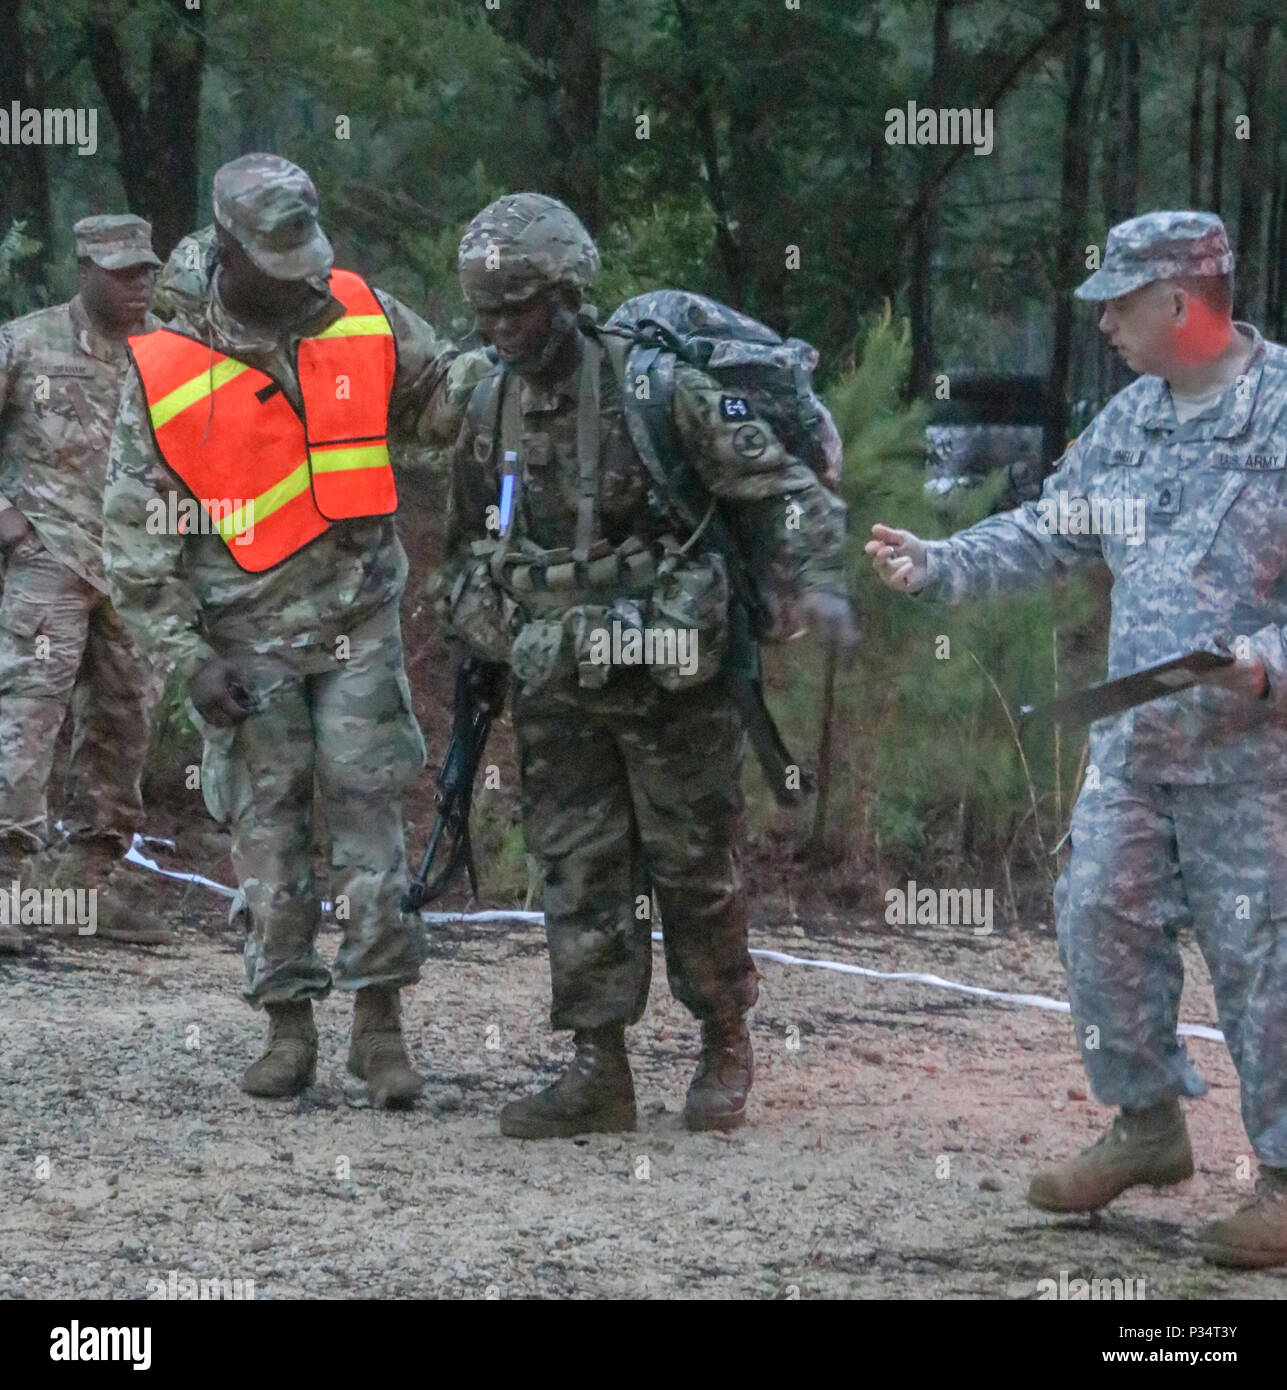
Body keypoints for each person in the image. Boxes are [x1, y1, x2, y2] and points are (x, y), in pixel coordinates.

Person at [867, 211, 1287, 1268]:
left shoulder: (1281, 414)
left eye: (1119, 302)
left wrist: (1266, 663)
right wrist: (940, 562)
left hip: (1256, 759)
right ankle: (1146, 1126)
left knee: (1266, 962)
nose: (1103, 323)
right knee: (1096, 915)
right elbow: (1052, 528)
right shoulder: (1131, 420)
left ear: (1179, 301)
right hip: (1136, 743)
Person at [439, 192, 855, 1139]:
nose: (501, 329)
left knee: (693, 863)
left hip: (669, 675)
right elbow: (465, 552)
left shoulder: (660, 391)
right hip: (557, 682)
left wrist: (814, 582)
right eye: (487, 312)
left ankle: (723, 1040)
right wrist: (507, 633)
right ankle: (599, 1066)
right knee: (574, 865)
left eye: (519, 308)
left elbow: (785, 488)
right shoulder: (489, 405)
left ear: (568, 294)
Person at [102, 154, 485, 1106]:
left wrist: (513, 361)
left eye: (308, 258)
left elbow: (439, 399)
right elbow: (136, 537)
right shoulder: (168, 360)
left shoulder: (358, 309)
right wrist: (188, 658)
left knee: (369, 809)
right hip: (244, 642)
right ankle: (287, 1025)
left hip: (359, 614)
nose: (303, 281)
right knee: (266, 830)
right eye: (280, 265)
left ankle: (379, 1026)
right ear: (230, 251)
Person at [0, 214, 166, 955]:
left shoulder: (169, 353)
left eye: (146, 271)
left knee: (125, 724)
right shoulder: (26, 342)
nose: (138, 285)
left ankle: (87, 884)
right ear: (84, 270)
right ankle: (6, 882)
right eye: (122, 272)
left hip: (137, 567)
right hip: (49, 557)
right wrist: (5, 516)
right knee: (25, 717)